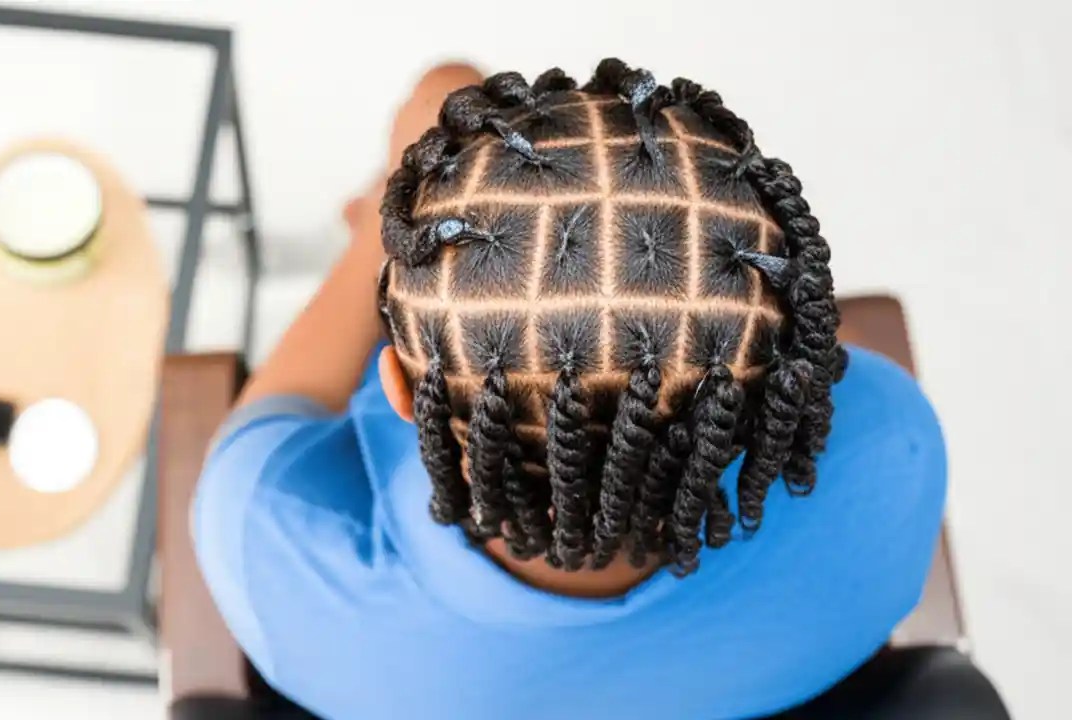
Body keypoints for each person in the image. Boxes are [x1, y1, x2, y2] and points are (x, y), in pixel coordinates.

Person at [192, 60, 946, 720]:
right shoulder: (890, 455)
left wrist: (372, 234)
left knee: (444, 91)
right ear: (780, 398)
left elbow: (270, 415)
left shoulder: (265, 531)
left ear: (396, 384)